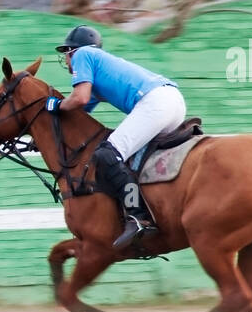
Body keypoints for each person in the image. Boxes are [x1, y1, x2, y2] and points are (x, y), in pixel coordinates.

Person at [51, 25, 187, 249]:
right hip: (172, 101)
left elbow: (79, 99)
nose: (67, 60)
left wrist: (55, 104)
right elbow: (77, 116)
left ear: (73, 51)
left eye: (67, 53)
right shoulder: (97, 70)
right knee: (129, 161)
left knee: (107, 153)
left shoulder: (83, 55)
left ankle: (138, 216)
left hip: (155, 103)